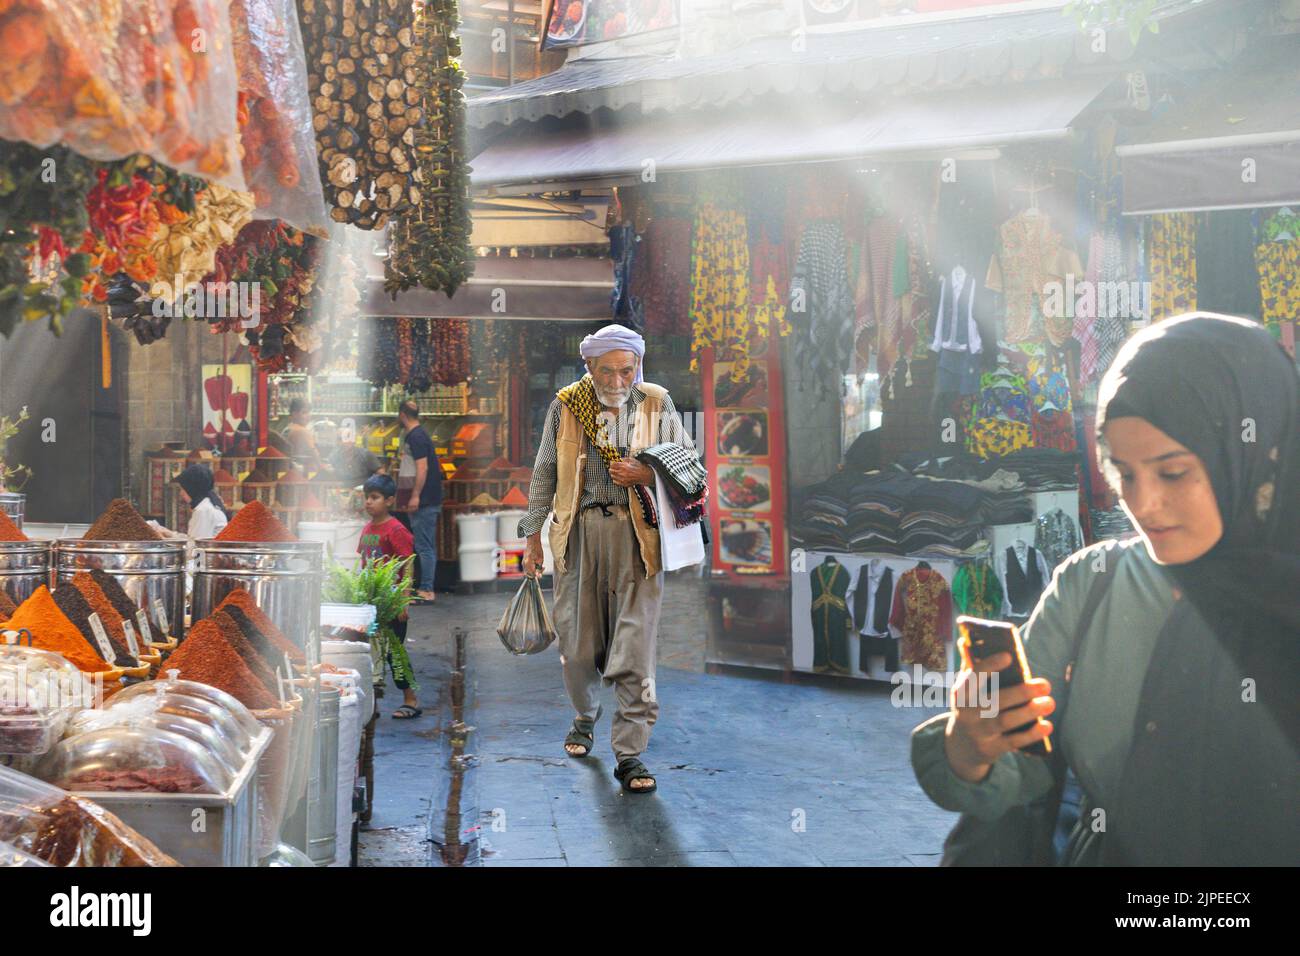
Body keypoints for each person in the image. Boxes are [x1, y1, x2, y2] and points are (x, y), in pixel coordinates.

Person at [911, 313, 1299, 865]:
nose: (1142, 505)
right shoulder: (1094, 583)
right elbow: (1015, 767)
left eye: (1172, 472)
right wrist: (969, 747)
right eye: (1124, 473)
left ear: (1261, 457)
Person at [519, 324, 701, 794]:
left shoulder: (656, 401)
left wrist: (647, 470)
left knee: (634, 650)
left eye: (627, 370)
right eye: (608, 371)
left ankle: (630, 754)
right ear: (589, 368)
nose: (619, 381)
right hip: (578, 536)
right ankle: (585, 714)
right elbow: (544, 470)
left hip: (639, 538)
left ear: (637, 366)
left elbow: (691, 466)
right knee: (578, 648)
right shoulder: (565, 404)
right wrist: (533, 535)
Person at [358, 474, 421, 719]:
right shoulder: (367, 529)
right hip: (371, 600)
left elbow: (408, 564)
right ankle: (372, 705)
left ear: (389, 500)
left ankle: (411, 700)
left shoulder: (396, 530)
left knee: (395, 652)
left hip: (392, 600)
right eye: (367, 497)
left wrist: (403, 599)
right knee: (370, 652)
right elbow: (365, 563)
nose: (368, 502)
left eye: (374, 498)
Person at [395, 400, 442, 603]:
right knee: (423, 544)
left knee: (424, 546)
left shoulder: (416, 437)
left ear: (402, 415)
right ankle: (421, 588)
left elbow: (422, 468)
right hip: (423, 499)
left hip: (424, 501)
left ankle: (427, 589)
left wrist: (415, 495)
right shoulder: (418, 435)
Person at [174, 463, 228, 540]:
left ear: (192, 488)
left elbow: (196, 545)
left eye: (183, 488)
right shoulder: (208, 503)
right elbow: (193, 538)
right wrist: (170, 534)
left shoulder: (204, 510)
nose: (181, 493)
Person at [284, 398, 322, 469]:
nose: (308, 416)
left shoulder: (288, 428)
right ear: (294, 414)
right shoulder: (302, 431)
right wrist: (322, 467)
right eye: (304, 412)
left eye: (309, 412)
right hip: (301, 471)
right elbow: (314, 454)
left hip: (290, 469)